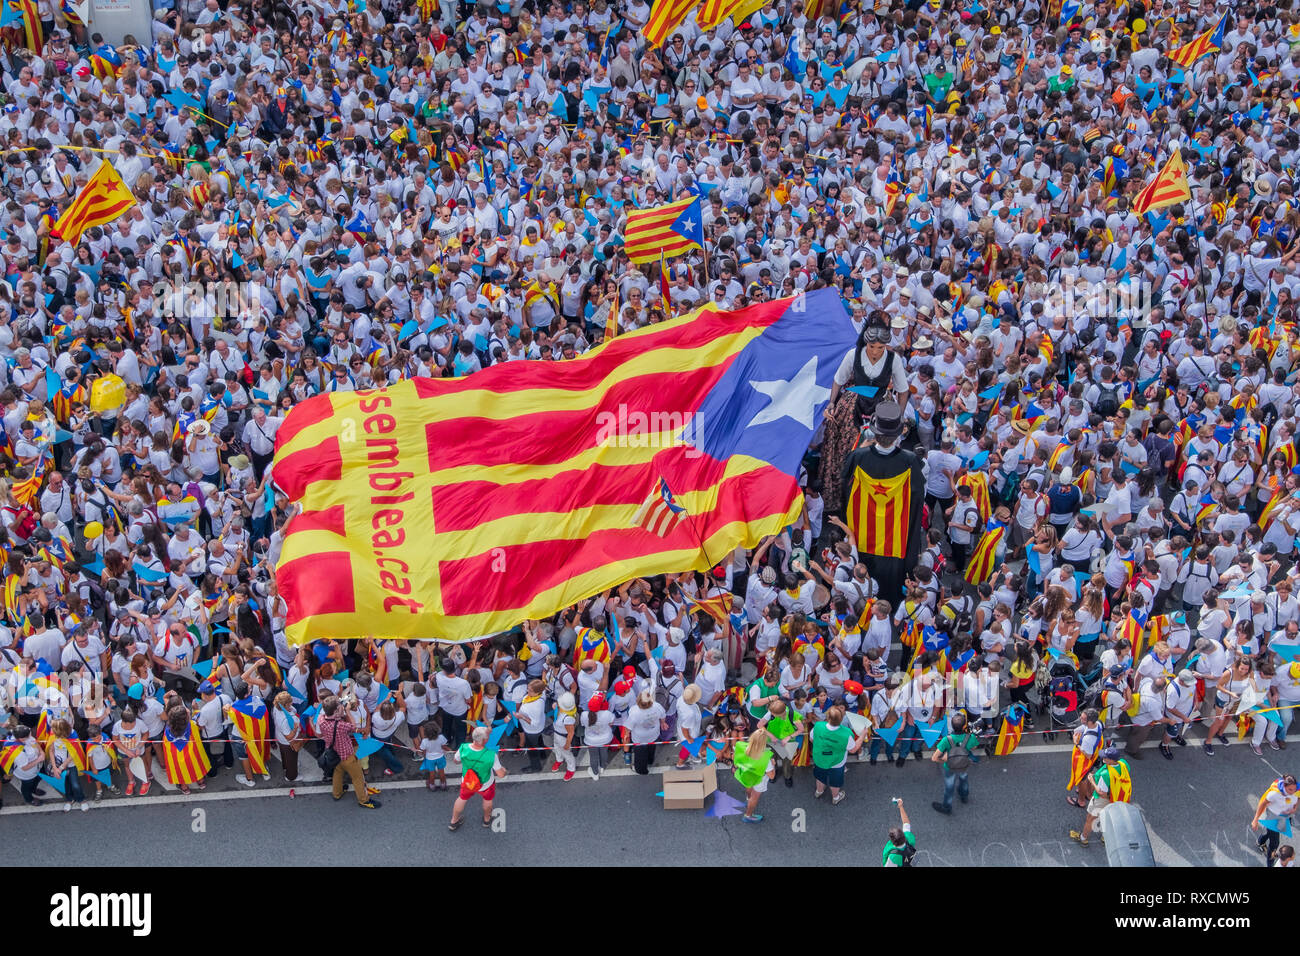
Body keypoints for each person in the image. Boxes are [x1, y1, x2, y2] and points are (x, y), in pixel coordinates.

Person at [317, 695, 380, 810]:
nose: (344, 706)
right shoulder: (341, 725)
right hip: (347, 756)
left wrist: (341, 710)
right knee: (358, 778)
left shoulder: (321, 719)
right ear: (336, 711)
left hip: (334, 754)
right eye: (341, 706)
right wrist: (347, 711)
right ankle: (364, 800)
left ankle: (337, 793)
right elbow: (353, 726)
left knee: (338, 772)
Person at [1069, 747, 1132, 849]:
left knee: (1090, 819)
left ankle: (1083, 839)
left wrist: (1091, 780)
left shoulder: (1105, 774)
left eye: (1106, 757)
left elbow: (1101, 792)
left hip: (1102, 800)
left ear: (1112, 760)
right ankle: (1105, 838)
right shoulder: (1123, 763)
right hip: (1116, 797)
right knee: (1108, 817)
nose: (1103, 757)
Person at [448, 725, 506, 831]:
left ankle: (454, 821)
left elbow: (456, 761)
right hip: (486, 784)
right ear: (484, 741)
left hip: (468, 782)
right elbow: (501, 775)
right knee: (487, 800)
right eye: (488, 737)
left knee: (462, 798)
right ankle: (487, 820)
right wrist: (504, 770)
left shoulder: (463, 748)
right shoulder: (491, 755)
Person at [810, 704, 869, 804]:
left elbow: (812, 739)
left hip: (819, 759)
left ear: (827, 717)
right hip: (836, 763)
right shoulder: (846, 733)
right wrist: (863, 735)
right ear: (841, 719)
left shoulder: (818, 726)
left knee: (820, 777)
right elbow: (853, 749)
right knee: (835, 782)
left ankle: (819, 791)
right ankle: (836, 798)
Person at [931, 713, 980, 815]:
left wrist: (945, 760)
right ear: (964, 726)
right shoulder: (970, 737)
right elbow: (974, 747)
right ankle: (964, 796)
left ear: (952, 726)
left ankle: (947, 807)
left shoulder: (946, 740)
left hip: (950, 766)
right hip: (964, 764)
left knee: (949, 786)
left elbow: (934, 758)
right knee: (964, 779)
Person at [1250, 774, 1299, 866]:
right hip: (1273, 817)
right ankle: (1270, 864)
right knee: (1274, 844)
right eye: (1290, 790)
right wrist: (1255, 820)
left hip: (1283, 817)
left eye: (1294, 789)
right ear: (1284, 786)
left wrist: (1295, 808)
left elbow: (1298, 796)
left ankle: (1260, 842)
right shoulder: (1274, 794)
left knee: (1269, 832)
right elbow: (1263, 804)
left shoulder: (1296, 788)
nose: (1293, 792)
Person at [732, 728, 775, 824]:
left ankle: (747, 799)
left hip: (746, 773)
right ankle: (748, 815)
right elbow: (772, 776)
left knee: (749, 787)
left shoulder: (741, 746)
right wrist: (773, 764)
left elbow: (734, 757)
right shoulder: (765, 757)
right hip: (759, 778)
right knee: (755, 797)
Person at [882, 798, 916, 867]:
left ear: (893, 842)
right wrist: (901, 806)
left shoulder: (893, 856)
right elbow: (906, 822)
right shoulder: (908, 838)